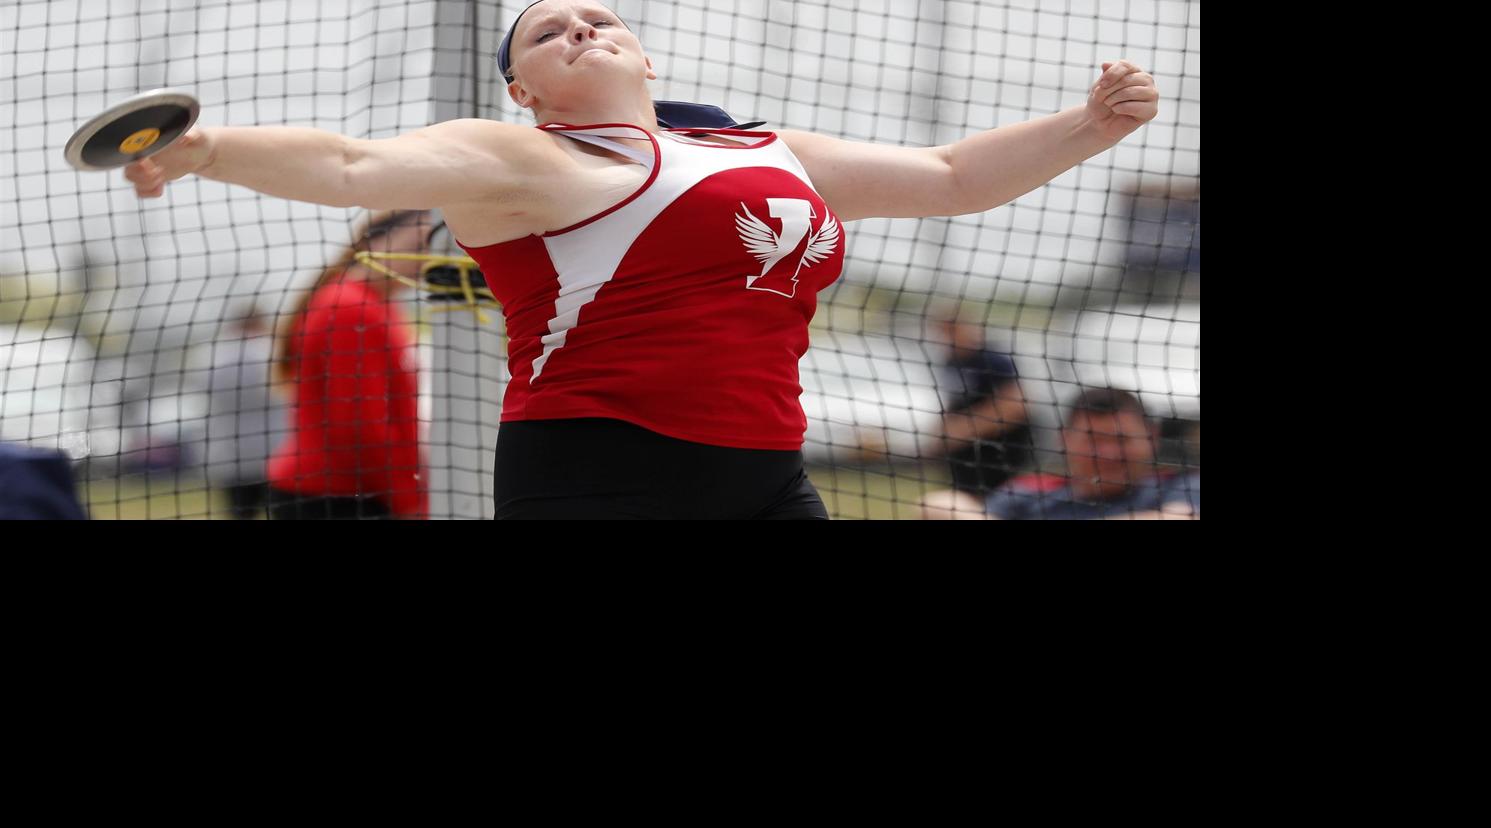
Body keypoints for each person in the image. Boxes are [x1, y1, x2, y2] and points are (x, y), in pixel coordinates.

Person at [123, 0, 1160, 520]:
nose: (577, 27)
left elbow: (948, 176)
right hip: (602, 471)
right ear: (522, 89)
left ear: (645, 57)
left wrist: (1087, 125)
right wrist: (207, 149)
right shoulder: (516, 155)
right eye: (544, 34)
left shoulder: (765, 148)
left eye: (597, 17)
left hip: (764, 471)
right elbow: (351, 165)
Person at [263, 210, 432, 520]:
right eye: (419, 244)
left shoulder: (382, 306)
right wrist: (409, 501)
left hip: (358, 491)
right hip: (331, 495)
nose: (426, 259)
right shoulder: (349, 307)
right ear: (376, 240)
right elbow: (360, 424)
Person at [920, 387, 1198, 520]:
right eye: (1093, 440)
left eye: (1121, 440)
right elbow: (937, 505)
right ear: (1064, 439)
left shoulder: (1182, 486)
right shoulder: (1033, 493)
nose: (1108, 453)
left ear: (1152, 438)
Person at [195, 303, 289, 518]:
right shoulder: (271, 349)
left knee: (240, 514)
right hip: (274, 451)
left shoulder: (213, 354)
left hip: (232, 454)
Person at [928, 312, 1033, 496]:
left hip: (998, 453)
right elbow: (954, 402)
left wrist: (963, 430)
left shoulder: (992, 359)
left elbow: (1016, 405)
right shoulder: (951, 361)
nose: (945, 337)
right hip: (965, 457)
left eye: (952, 330)